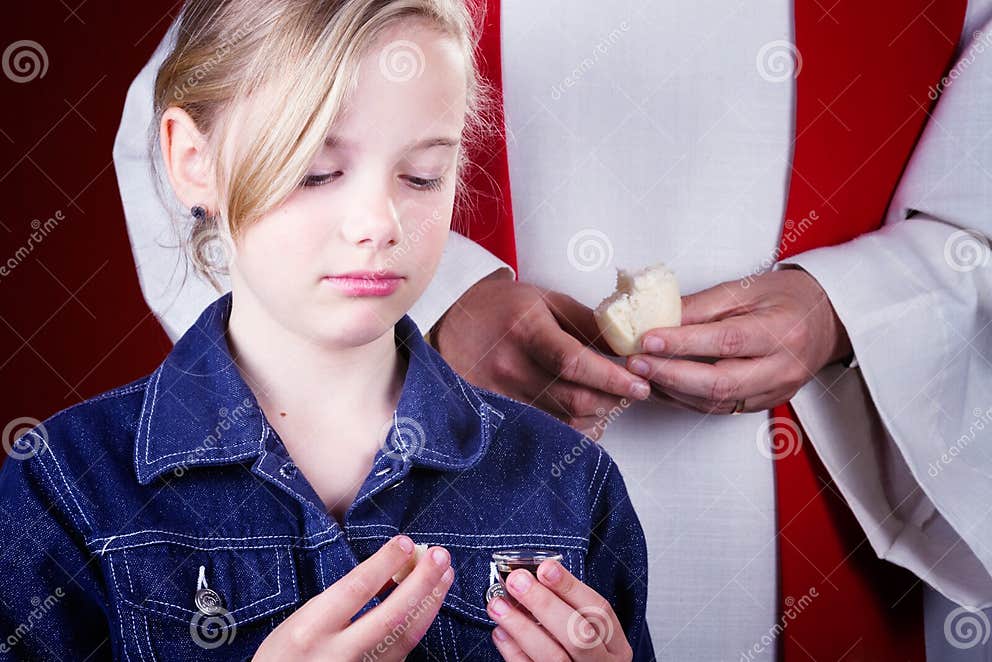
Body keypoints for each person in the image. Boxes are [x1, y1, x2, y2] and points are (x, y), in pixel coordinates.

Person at [0, 1, 654, 659]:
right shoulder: (67, 483)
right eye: (317, 170)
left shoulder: (570, 485)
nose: (379, 222)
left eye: (421, 175)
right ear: (193, 160)